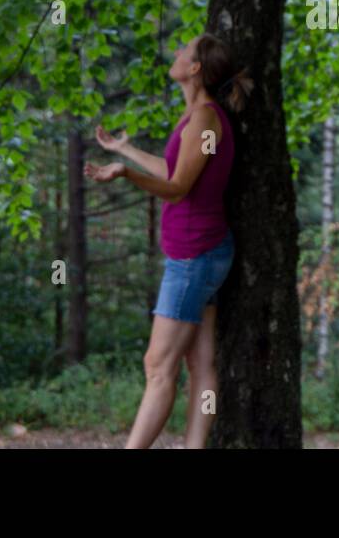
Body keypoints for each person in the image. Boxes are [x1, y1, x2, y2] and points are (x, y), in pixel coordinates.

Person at [84, 32, 252, 449]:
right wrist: (126, 152)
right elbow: (175, 168)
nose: (177, 53)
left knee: (158, 367)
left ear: (194, 68)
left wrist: (124, 173)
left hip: (194, 256)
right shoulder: (200, 117)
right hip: (205, 252)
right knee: (200, 364)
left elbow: (177, 188)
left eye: (185, 50)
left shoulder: (205, 119)